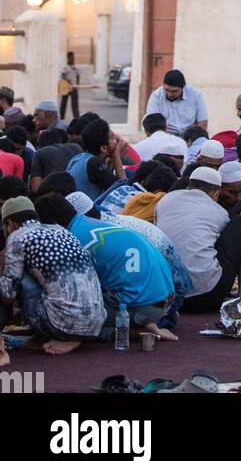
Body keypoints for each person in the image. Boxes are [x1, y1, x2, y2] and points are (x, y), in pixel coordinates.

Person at [39, 193, 177, 340]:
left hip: (139, 305)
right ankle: (145, 320)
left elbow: (75, 292)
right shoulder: (90, 224)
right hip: (165, 300)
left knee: (67, 313)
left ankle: (135, 330)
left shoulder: (72, 240)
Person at [0, 195, 106, 354]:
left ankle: (53, 335)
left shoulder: (18, 236)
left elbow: (7, 294)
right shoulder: (61, 230)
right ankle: (68, 335)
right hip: (96, 322)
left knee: (18, 276)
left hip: (59, 324)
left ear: (10, 224)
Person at [155, 166, 241, 312]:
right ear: (216, 193)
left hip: (168, 295)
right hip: (207, 295)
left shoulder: (164, 201)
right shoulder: (219, 213)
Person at [67, 119, 129, 200]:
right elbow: (125, 192)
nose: (117, 140)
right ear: (103, 148)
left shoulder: (79, 157)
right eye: (113, 137)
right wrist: (116, 155)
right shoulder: (94, 163)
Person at [145, 69, 208, 135]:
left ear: (183, 88)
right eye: (166, 90)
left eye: (174, 91)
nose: (169, 94)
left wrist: (192, 139)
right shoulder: (156, 96)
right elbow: (152, 124)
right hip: (166, 137)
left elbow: (202, 122)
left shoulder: (195, 95)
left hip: (190, 137)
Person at [29, 129, 82, 194]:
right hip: (80, 194)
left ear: (40, 143)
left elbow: (36, 187)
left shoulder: (40, 153)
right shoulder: (76, 147)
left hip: (56, 197)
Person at [58, 53, 81, 120]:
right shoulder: (65, 67)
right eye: (71, 57)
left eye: (73, 57)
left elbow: (78, 76)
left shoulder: (75, 68)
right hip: (66, 88)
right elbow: (63, 76)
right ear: (68, 58)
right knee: (63, 104)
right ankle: (62, 118)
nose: (73, 59)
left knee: (75, 105)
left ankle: (77, 119)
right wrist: (68, 82)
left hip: (74, 88)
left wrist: (77, 85)